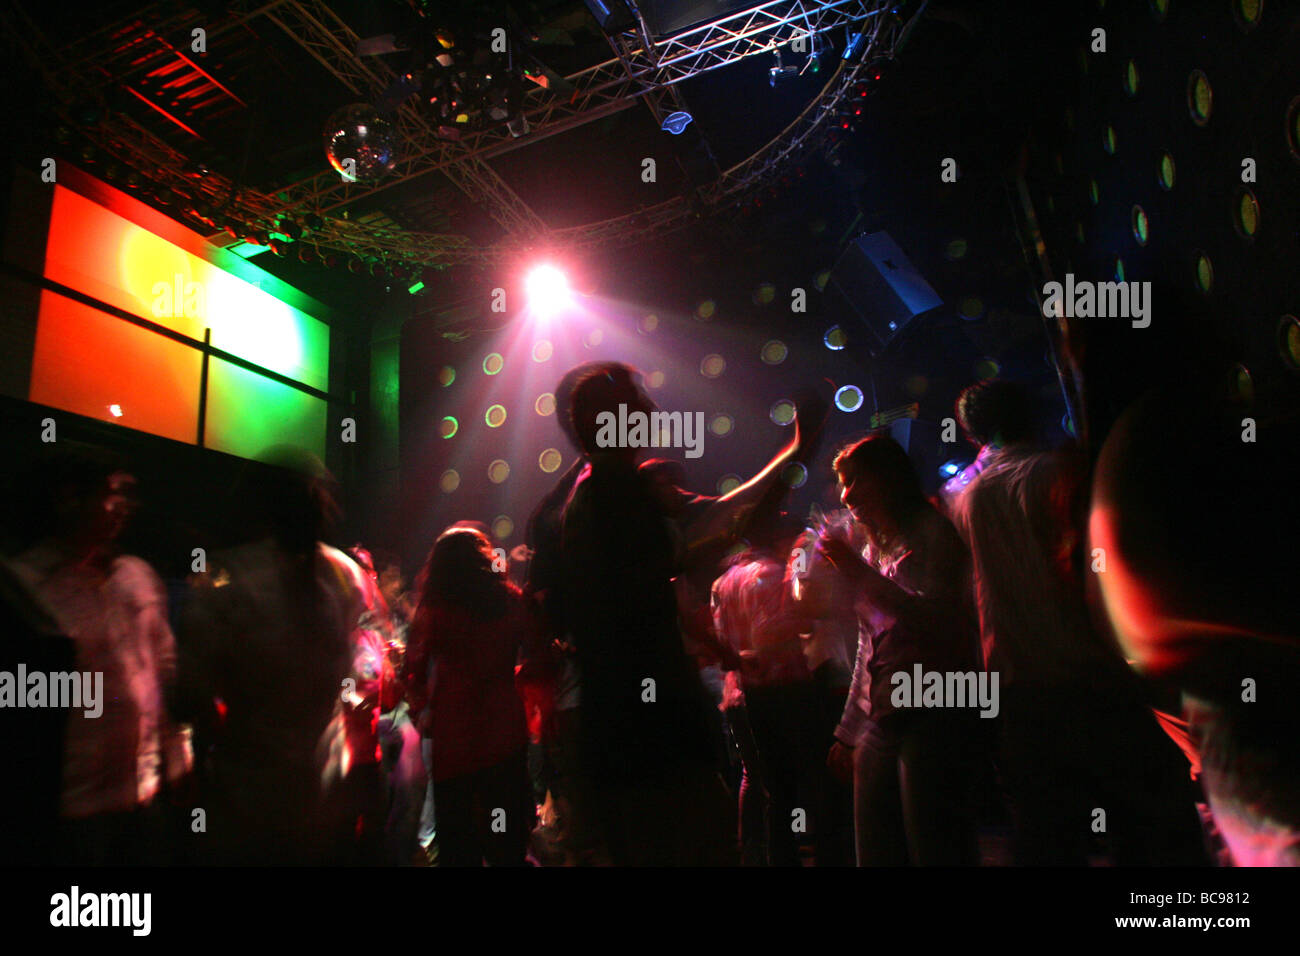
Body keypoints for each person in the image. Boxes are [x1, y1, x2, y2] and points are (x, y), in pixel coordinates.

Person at [557, 363, 823, 865]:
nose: (651, 409)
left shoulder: (603, 491)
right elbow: (725, 519)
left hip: (628, 717)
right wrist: (798, 449)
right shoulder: (614, 495)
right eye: (636, 399)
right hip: (645, 724)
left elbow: (722, 517)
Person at [950, 396, 1208, 865]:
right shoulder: (1053, 473)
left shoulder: (963, 498)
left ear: (972, 434)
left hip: (1020, 691)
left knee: (1046, 837)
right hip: (1094, 681)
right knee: (1152, 831)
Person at [177, 447, 387, 865]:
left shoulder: (226, 576)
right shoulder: (343, 574)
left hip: (262, 796)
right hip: (304, 794)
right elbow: (370, 663)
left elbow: (191, 693)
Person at [9, 447, 188, 865]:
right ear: (68, 498)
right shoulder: (23, 585)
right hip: (70, 808)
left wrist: (177, 754)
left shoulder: (137, 577)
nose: (126, 506)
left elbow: (163, 671)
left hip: (143, 794)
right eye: (113, 492)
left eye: (129, 493)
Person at [817, 434, 984, 866]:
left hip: (938, 706)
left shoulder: (933, 533)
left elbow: (942, 622)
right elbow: (869, 644)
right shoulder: (873, 549)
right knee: (876, 850)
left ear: (889, 478)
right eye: (842, 482)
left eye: (855, 479)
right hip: (886, 713)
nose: (845, 494)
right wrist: (849, 729)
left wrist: (858, 574)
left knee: (937, 846)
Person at [402, 524, 537, 866]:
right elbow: (538, 656)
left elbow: (411, 673)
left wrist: (422, 711)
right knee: (504, 829)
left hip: (455, 736)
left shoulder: (436, 610)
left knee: (458, 836)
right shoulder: (511, 601)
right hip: (504, 730)